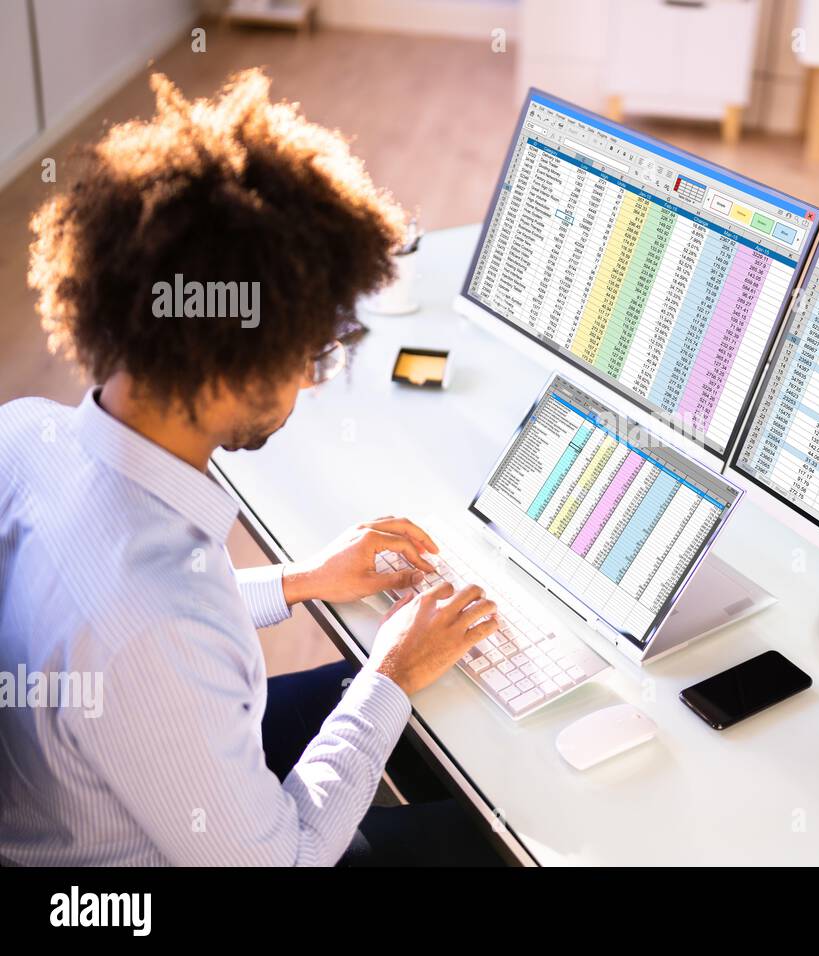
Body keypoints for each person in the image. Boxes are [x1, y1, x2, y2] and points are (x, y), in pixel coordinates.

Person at [0, 69, 501, 866]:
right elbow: (285, 860)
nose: (310, 376)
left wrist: (303, 580)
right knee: (474, 834)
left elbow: (127, 636)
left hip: (109, 774)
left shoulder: (23, 436)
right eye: (308, 352)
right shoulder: (150, 625)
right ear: (232, 368)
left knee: (406, 718)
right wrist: (395, 672)